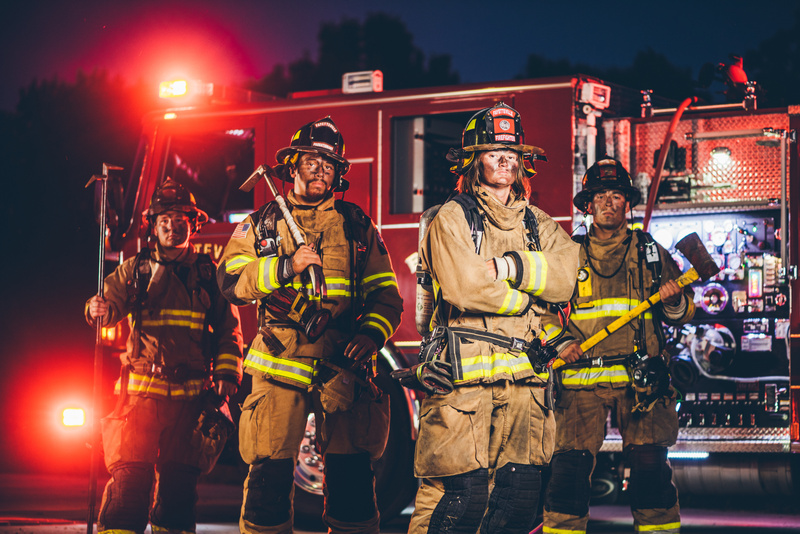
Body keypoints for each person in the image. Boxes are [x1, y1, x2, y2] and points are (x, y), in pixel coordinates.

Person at [217, 117, 403, 534]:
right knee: (268, 480)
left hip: (343, 371)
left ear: (339, 174)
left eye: (329, 164)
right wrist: (285, 266)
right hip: (280, 368)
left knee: (353, 482)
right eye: (311, 161)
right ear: (291, 167)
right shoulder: (263, 224)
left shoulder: (357, 226)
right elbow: (230, 280)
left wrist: (370, 334)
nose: (320, 170)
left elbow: (386, 295)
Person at [402, 102, 580, 534]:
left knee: (514, 509)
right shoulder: (452, 218)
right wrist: (530, 300)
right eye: (493, 152)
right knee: (456, 505)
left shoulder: (538, 224)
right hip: (462, 394)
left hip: (526, 394)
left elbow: (568, 276)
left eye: (512, 154)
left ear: (522, 163)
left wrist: (512, 267)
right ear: (473, 160)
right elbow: (465, 288)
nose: (504, 161)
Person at [541, 157, 695, 534]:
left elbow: (684, 312)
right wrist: (560, 342)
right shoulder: (567, 255)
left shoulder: (650, 252)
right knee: (568, 478)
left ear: (628, 204)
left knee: (650, 474)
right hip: (580, 384)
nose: (609, 203)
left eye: (617, 196)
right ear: (587, 205)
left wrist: (674, 299)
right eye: (600, 196)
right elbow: (540, 313)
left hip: (640, 382)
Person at [85, 178, 244, 534]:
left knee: (177, 496)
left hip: (190, 401)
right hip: (141, 398)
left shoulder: (209, 274)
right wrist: (98, 308)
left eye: (181, 219)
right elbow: (108, 303)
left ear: (194, 225)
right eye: (165, 220)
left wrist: (227, 374)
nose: (173, 227)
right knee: (128, 491)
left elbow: (228, 329)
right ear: (153, 226)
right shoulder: (136, 270)